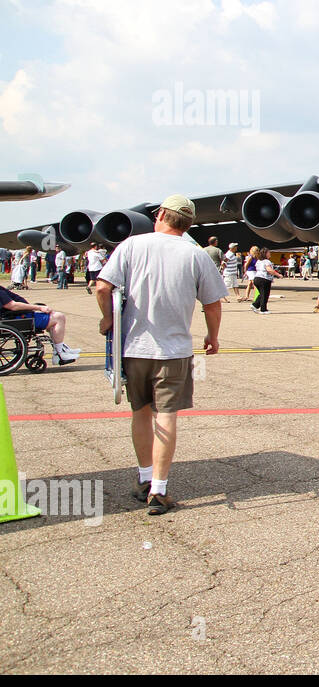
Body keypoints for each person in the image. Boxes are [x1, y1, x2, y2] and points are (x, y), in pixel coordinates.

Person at [94, 194, 226, 515]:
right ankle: (159, 489)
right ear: (187, 223)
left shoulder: (131, 246)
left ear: (163, 215)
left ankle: (143, 477)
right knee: (166, 415)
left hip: (133, 348)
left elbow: (102, 287)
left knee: (140, 411)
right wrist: (212, 336)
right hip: (174, 351)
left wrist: (108, 319)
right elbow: (212, 304)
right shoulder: (196, 256)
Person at [0, 284, 79, 364]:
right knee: (59, 317)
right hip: (16, 319)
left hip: (14, 317)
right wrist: (38, 307)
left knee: (52, 316)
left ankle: (61, 348)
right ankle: (59, 353)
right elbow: (12, 306)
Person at [251, 248, 281, 314]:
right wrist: (278, 274)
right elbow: (269, 270)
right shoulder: (267, 261)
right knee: (265, 294)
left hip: (257, 278)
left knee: (262, 294)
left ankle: (255, 305)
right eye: (268, 252)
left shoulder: (258, 261)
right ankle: (263, 309)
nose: (270, 254)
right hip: (264, 279)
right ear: (265, 254)